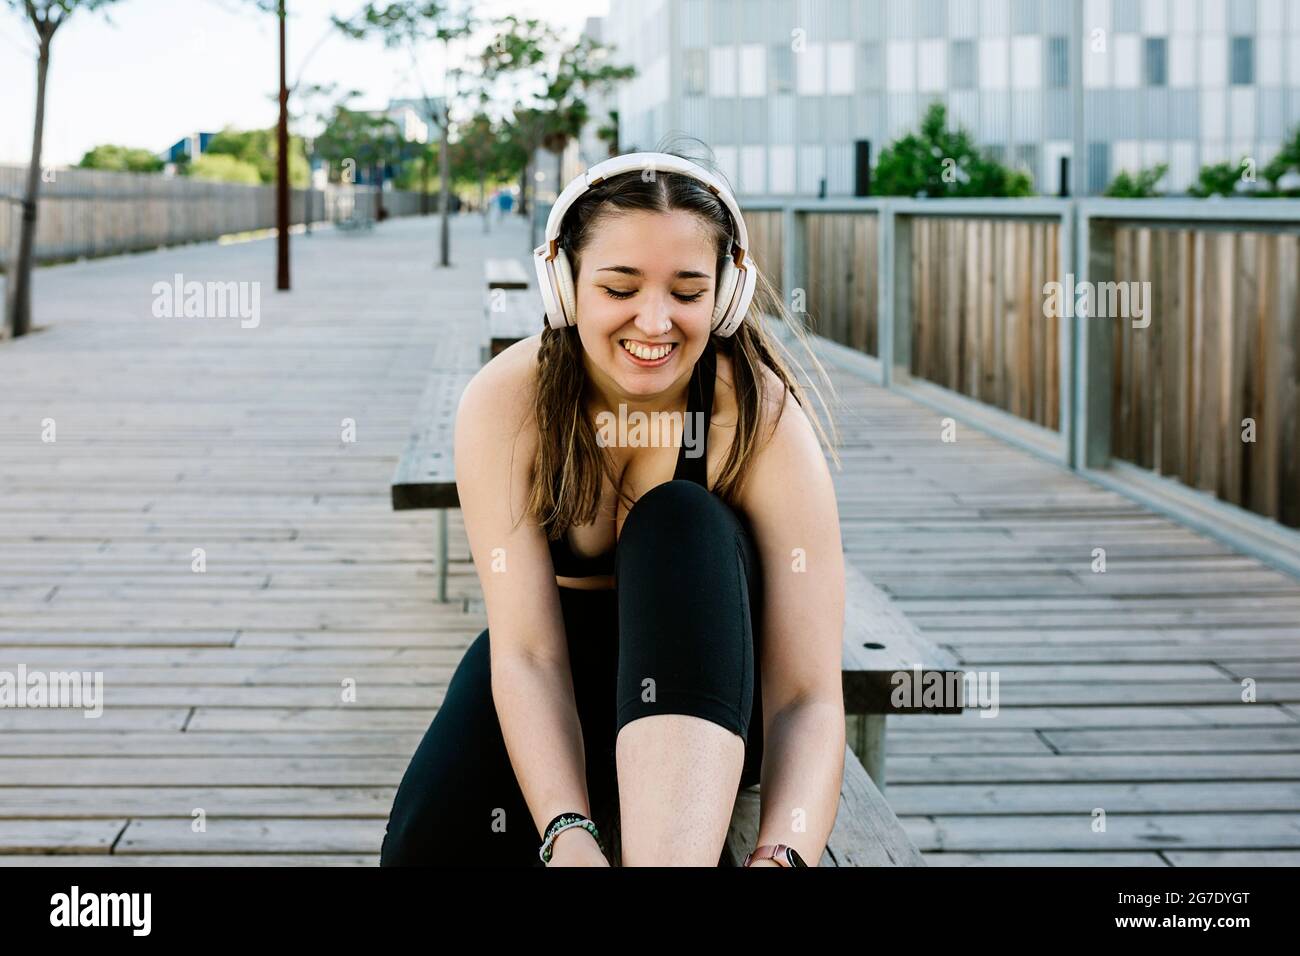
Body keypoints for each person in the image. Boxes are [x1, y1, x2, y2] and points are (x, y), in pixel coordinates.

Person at [380, 148, 847, 867]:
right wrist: (567, 832)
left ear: (726, 295)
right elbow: (529, 653)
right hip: (566, 677)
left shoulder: (759, 420)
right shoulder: (507, 404)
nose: (655, 322)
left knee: (678, 521)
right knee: (425, 843)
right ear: (564, 283)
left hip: (715, 700)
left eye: (688, 292)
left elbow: (807, 698)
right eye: (620, 287)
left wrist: (782, 855)